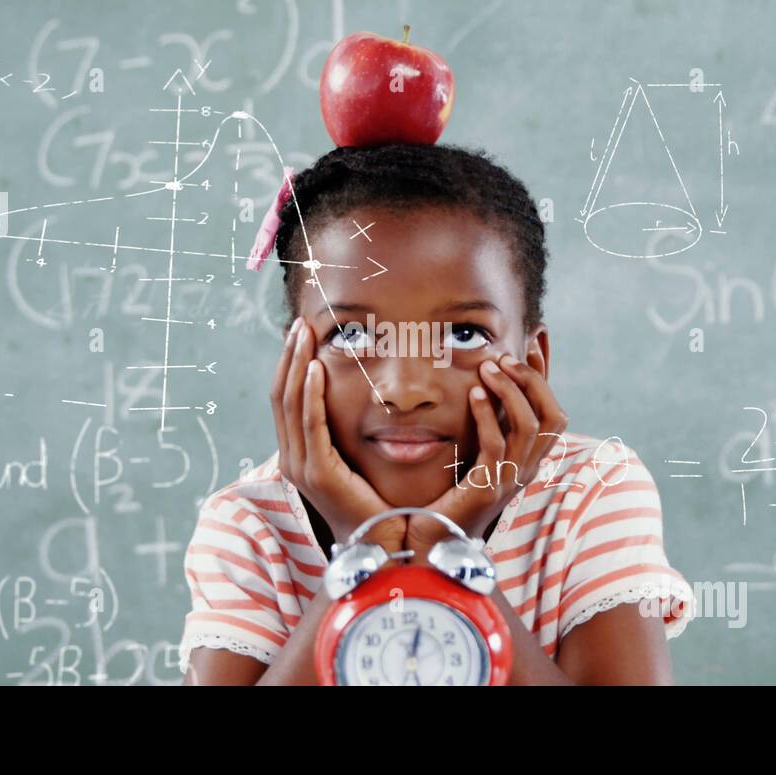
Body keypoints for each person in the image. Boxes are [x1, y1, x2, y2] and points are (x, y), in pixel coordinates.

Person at [179, 142, 695, 685]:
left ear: (533, 362)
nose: (404, 390)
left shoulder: (589, 491)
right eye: (350, 334)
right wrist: (364, 549)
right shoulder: (250, 527)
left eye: (464, 333)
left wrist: (447, 548)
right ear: (294, 361)